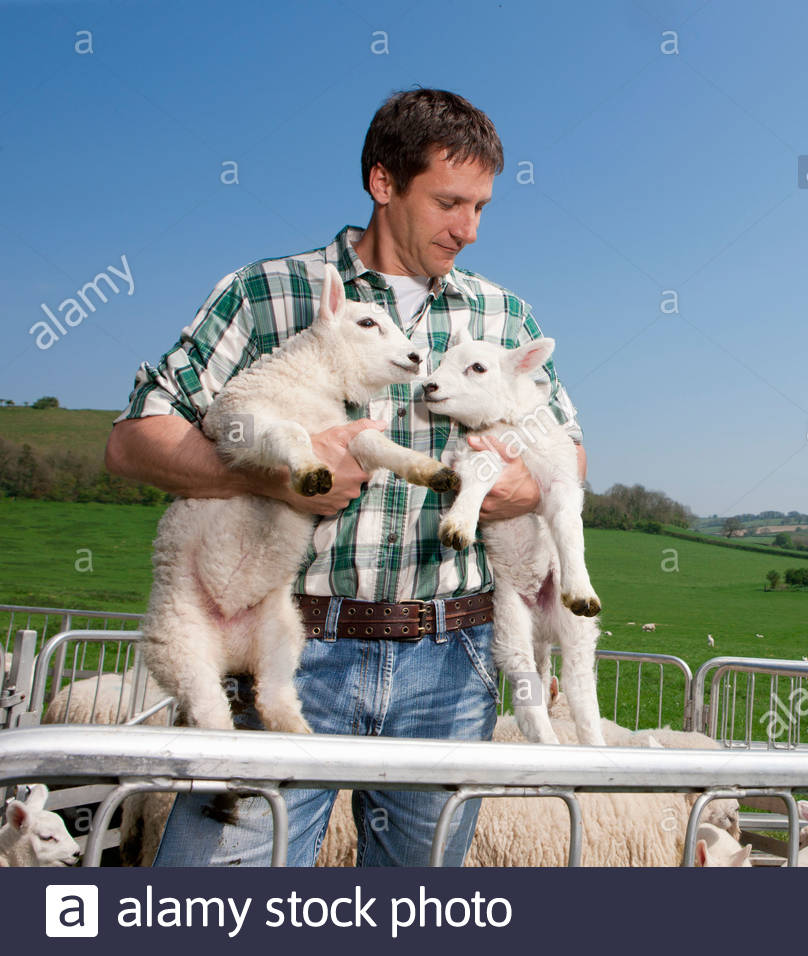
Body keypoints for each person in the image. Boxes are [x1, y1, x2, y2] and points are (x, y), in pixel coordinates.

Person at [104, 88, 586, 866]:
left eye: (483, 207)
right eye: (450, 202)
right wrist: (275, 478)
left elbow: (570, 450)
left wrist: (518, 492)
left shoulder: (506, 320)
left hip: (450, 659)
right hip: (290, 642)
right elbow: (132, 442)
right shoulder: (266, 294)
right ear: (383, 183)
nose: (469, 228)